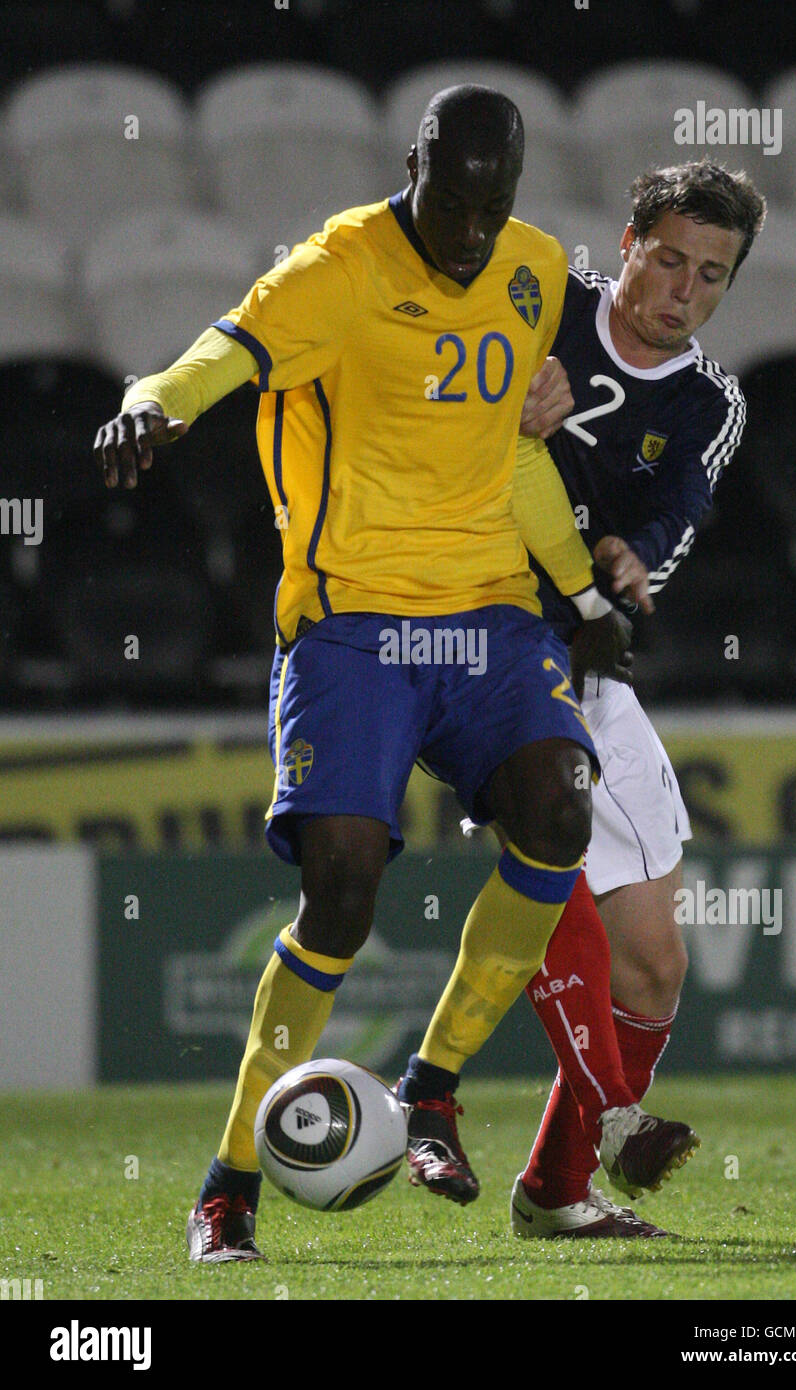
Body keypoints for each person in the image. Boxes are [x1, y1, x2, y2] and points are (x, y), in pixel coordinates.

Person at [93, 84, 635, 1264]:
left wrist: (578, 592)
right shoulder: (335, 269)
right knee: (341, 887)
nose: (473, 237)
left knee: (558, 812)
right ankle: (229, 1180)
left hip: (489, 611)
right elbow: (219, 354)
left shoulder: (534, 269)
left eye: (495, 212)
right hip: (350, 620)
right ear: (413, 167)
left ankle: (430, 1087)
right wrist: (150, 404)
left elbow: (515, 450)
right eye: (455, 205)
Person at [506, 161, 767, 1238]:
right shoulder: (538, 309)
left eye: (709, 276)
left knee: (655, 965)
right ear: (626, 241)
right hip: (471, 639)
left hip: (590, 660)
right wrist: (496, 416)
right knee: (546, 844)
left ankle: (556, 1193)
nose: (681, 291)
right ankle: (612, 1119)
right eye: (667, 259)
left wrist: (634, 554)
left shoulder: (709, 399)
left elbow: (678, 509)